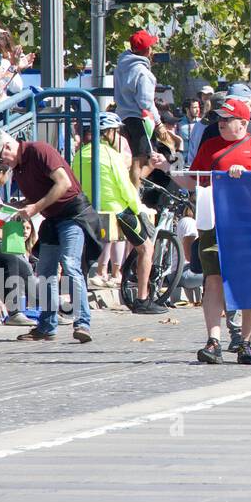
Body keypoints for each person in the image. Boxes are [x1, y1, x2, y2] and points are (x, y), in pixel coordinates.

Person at [175, 98, 251, 365]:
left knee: (249, 282)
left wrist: (246, 175)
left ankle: (245, 342)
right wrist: (170, 171)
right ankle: (213, 341)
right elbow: (194, 179)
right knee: (213, 279)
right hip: (215, 221)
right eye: (219, 119)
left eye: (227, 119)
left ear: (244, 123)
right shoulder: (209, 146)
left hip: (250, 224)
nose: (221, 123)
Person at [0, 129, 95, 343]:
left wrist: (35, 207)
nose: (1, 165)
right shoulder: (19, 169)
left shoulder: (39, 150)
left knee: (70, 264)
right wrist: (17, 207)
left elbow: (63, 183)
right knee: (45, 272)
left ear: (8, 147)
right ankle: (46, 325)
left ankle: (82, 322)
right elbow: (38, 195)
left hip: (73, 215)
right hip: (52, 220)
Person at [72, 112, 168, 315]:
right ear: (110, 133)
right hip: (117, 209)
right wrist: (138, 207)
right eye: (117, 132)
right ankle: (142, 299)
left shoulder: (80, 153)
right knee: (146, 249)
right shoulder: (111, 155)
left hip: (88, 209)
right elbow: (125, 188)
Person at [0, 155, 35, 325]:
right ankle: (14, 312)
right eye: (8, 173)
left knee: (24, 268)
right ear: (1, 174)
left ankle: (48, 308)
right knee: (7, 259)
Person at [114, 29, 160, 188]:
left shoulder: (120, 66)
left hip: (122, 117)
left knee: (135, 159)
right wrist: (159, 123)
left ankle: (131, 192)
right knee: (146, 160)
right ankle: (132, 194)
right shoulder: (143, 72)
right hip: (138, 119)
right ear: (147, 50)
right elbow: (145, 102)